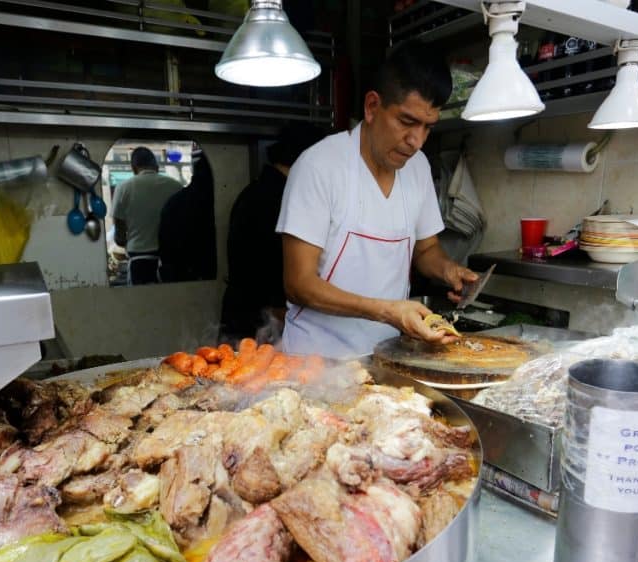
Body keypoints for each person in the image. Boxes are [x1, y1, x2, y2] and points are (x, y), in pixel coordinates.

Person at [276, 41, 478, 358]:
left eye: (428, 128)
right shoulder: (319, 167)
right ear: (372, 107)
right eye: (407, 122)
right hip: (314, 362)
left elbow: (425, 249)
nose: (416, 142)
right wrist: (386, 311)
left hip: (387, 355)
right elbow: (299, 282)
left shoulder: (418, 169)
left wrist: (448, 270)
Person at [220, 123, 326, 342]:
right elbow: (280, 273)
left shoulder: (254, 191)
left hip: (242, 316)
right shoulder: (282, 198)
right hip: (262, 323)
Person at [113, 146, 182, 284]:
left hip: (139, 263)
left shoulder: (123, 187)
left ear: (133, 168)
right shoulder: (175, 186)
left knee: (141, 304)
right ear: (156, 165)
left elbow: (120, 237)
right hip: (171, 261)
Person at [158, 151, 216, 282]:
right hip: (210, 273)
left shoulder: (174, 203)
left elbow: (165, 248)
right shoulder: (216, 202)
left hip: (179, 278)